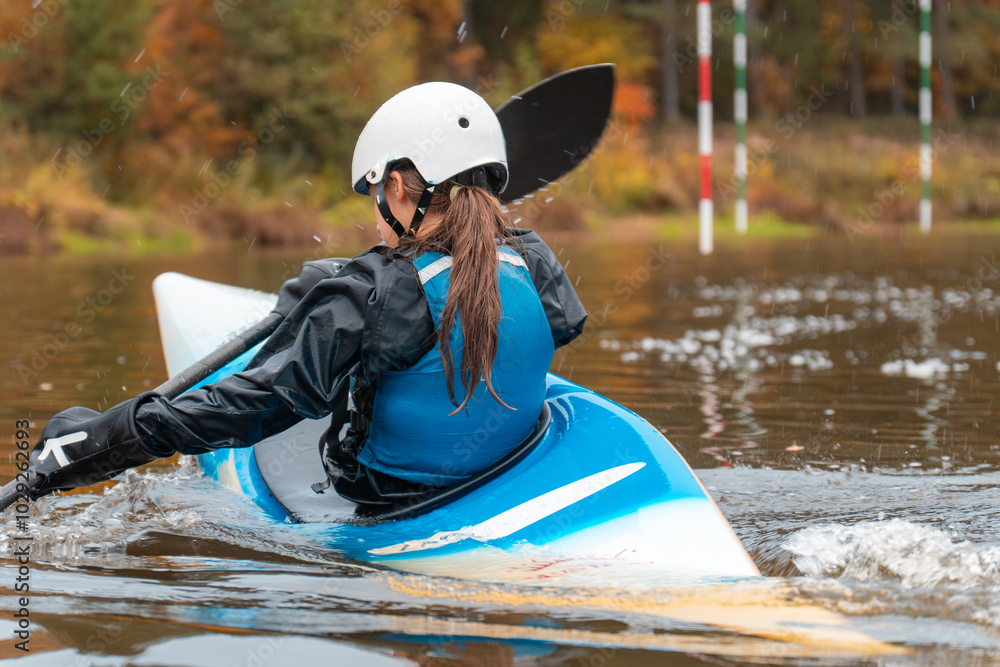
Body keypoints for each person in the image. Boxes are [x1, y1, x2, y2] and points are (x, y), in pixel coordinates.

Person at [28, 82, 587, 507]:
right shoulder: (534, 259)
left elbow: (255, 407)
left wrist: (107, 437)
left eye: (373, 191)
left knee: (339, 350)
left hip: (392, 495)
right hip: (501, 464)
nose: (374, 218)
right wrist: (339, 286)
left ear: (394, 185)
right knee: (334, 290)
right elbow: (510, 307)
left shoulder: (368, 294)